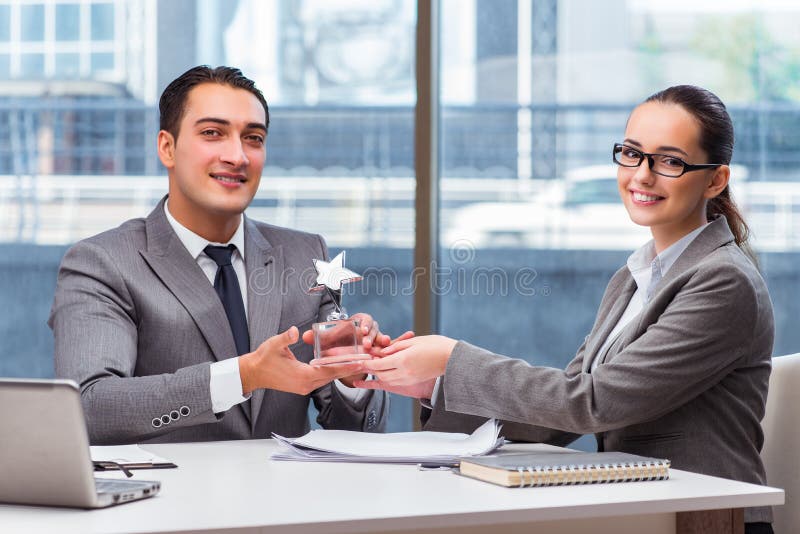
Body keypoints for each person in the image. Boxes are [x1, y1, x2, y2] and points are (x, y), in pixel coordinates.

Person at [354, 85, 775, 532]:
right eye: (631, 153)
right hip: (643, 511)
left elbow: (592, 403)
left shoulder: (724, 281)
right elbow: (558, 416)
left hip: (705, 518)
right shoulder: (633, 277)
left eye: (669, 161)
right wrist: (434, 384)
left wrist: (453, 359)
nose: (642, 175)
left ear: (716, 179)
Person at [50, 65, 394, 445]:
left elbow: (360, 435)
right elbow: (91, 407)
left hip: (290, 500)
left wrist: (350, 377)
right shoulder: (103, 262)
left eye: (253, 138)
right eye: (212, 133)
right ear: (167, 147)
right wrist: (242, 376)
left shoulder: (306, 256)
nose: (237, 155)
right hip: (170, 500)